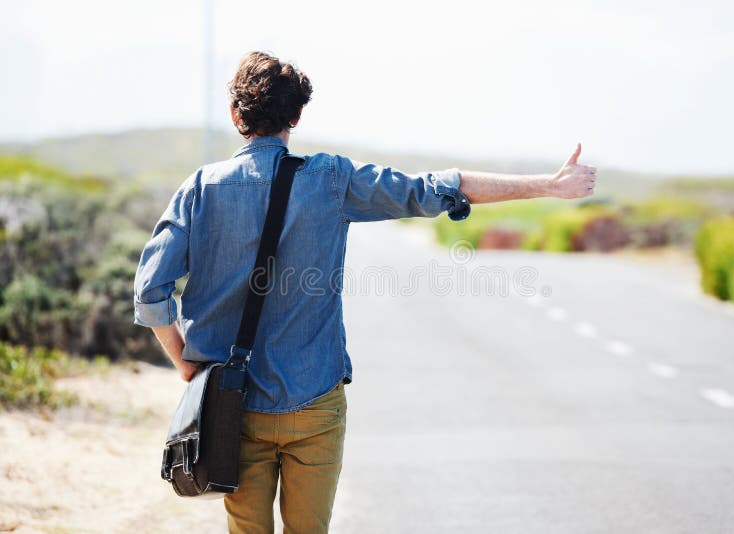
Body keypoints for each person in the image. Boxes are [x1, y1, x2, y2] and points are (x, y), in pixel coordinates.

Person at [133, 51, 596, 534]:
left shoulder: (199, 189)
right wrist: (550, 184)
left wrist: (186, 362)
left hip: (233, 407)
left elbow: (151, 290)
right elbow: (435, 188)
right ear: (296, 116)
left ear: (235, 116)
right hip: (314, 405)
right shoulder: (332, 179)